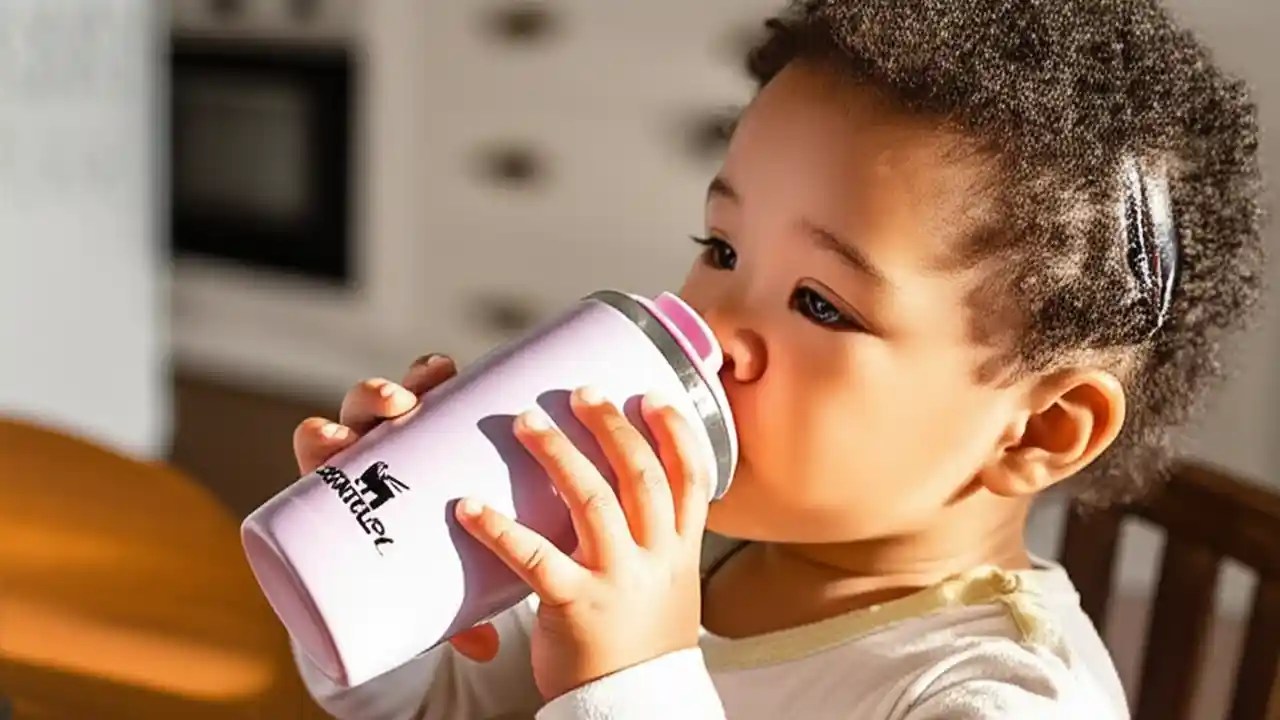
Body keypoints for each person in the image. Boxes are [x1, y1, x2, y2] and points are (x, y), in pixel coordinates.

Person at [288, 1, 1264, 717]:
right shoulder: (705, 545)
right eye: (721, 249)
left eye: (818, 303)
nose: (706, 326)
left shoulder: (995, 702)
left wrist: (629, 681)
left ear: (1037, 429)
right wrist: (392, 583)